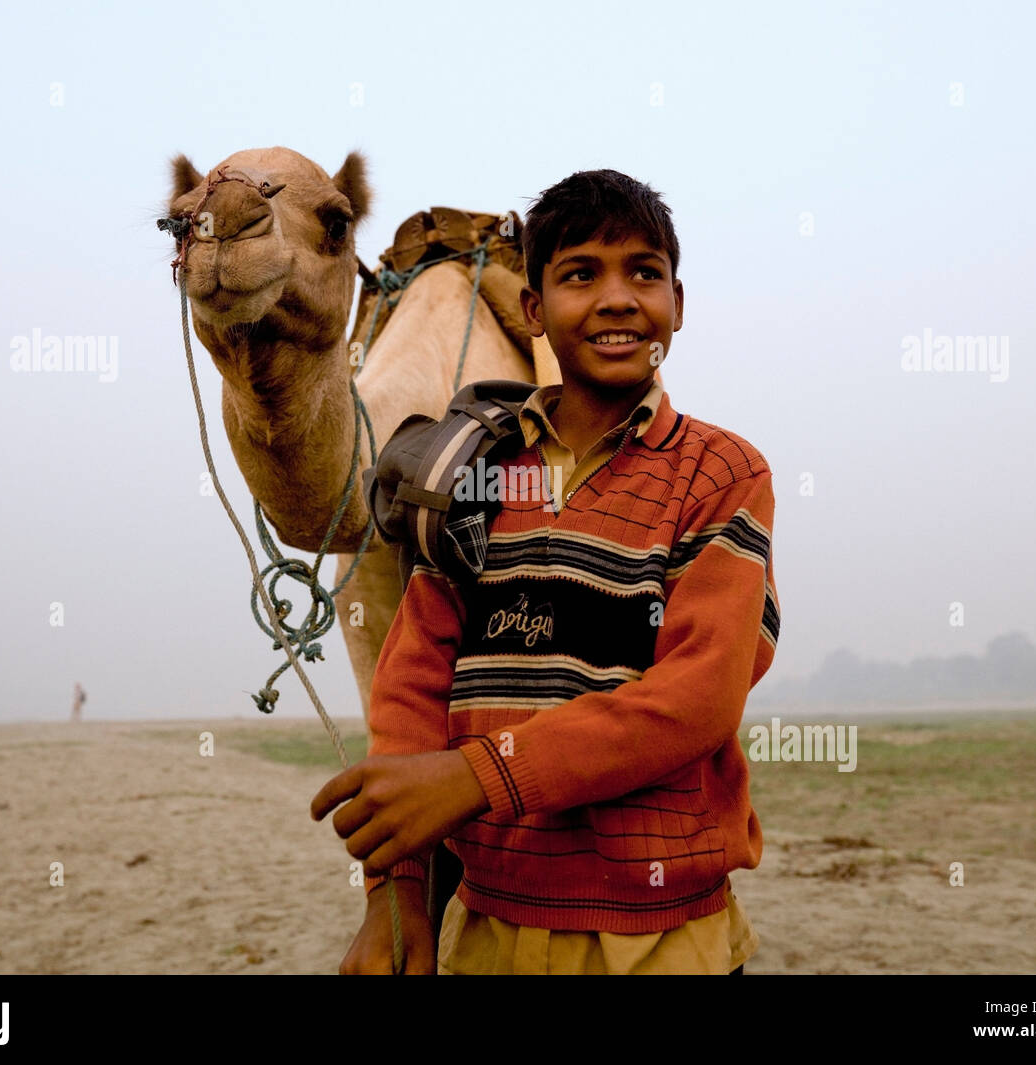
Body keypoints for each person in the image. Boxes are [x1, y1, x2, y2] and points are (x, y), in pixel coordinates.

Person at [311, 169, 780, 975]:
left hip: (666, 937)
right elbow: (414, 685)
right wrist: (399, 892)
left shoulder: (719, 474)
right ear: (533, 309)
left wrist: (474, 776)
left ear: (677, 301)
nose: (618, 297)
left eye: (644, 272)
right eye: (579, 274)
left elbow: (698, 697)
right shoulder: (473, 471)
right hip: (490, 926)